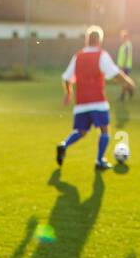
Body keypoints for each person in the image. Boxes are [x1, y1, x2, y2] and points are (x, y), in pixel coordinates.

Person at [56, 25, 135, 171]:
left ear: (86, 40)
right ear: (99, 40)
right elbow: (115, 74)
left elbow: (66, 78)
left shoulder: (78, 56)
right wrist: (128, 83)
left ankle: (64, 145)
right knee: (104, 131)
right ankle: (99, 161)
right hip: (98, 101)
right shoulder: (101, 55)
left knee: (81, 131)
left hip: (81, 102)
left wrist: (68, 93)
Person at [117, 28, 133, 101]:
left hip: (125, 67)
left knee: (124, 81)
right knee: (124, 81)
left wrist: (123, 66)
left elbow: (126, 55)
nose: (121, 38)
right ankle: (130, 90)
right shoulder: (124, 45)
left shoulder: (127, 45)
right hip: (122, 66)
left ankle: (123, 96)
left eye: (123, 37)